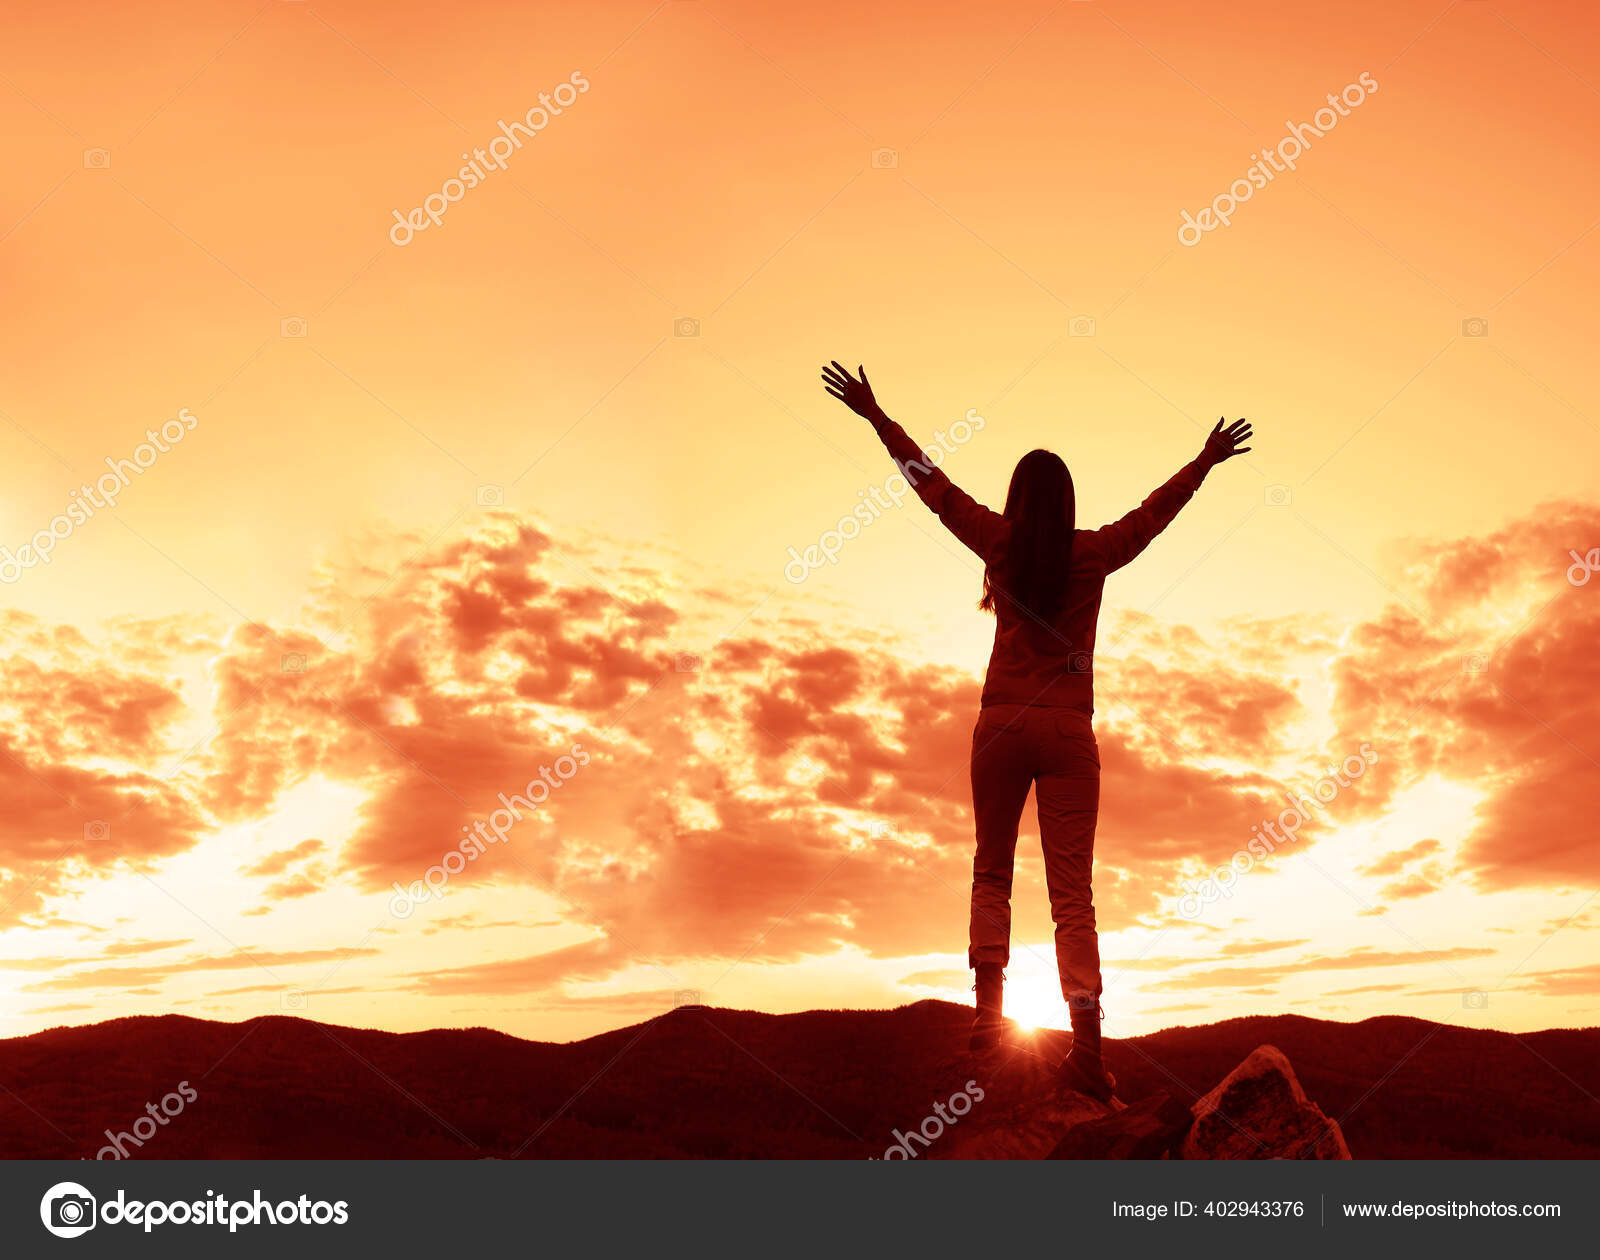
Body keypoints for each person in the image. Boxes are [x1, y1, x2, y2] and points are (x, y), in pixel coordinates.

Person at [821, 361, 1252, 1100]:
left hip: (1000, 722)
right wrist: (1204, 462)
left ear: (1020, 498)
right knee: (1072, 895)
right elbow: (1153, 514)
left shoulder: (998, 541)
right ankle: (1086, 1049)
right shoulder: (1091, 553)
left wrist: (875, 415)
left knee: (991, 871)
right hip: (1066, 730)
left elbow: (932, 486)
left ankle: (989, 1027)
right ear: (1069, 500)